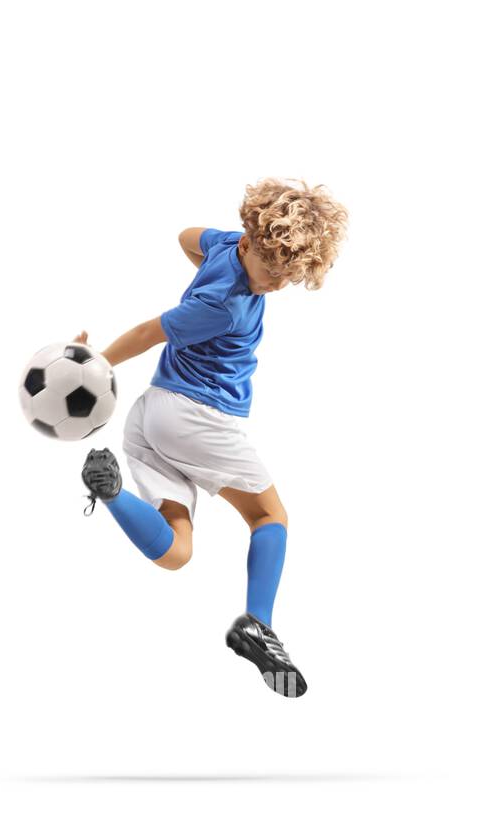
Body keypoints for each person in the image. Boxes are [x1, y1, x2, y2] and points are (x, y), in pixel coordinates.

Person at [78, 178, 348, 698]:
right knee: (269, 517)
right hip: (195, 418)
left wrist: (227, 253)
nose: (271, 286)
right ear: (250, 244)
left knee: (176, 553)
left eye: (285, 280)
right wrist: (94, 364)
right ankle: (258, 624)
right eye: (271, 272)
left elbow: (186, 236)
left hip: (149, 418)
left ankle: (110, 493)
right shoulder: (224, 306)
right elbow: (147, 333)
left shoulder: (228, 246)